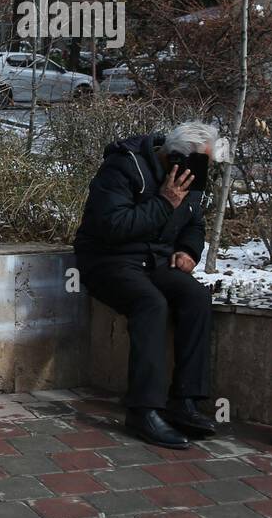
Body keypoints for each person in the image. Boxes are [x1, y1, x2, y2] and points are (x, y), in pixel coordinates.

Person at [73, 121, 219, 449]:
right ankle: (143, 410)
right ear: (176, 158)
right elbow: (113, 226)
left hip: (155, 261)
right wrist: (165, 202)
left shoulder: (191, 176)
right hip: (108, 260)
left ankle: (185, 401)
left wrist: (188, 251)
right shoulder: (124, 166)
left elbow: (195, 222)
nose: (204, 172)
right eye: (200, 163)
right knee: (150, 303)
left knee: (195, 296)